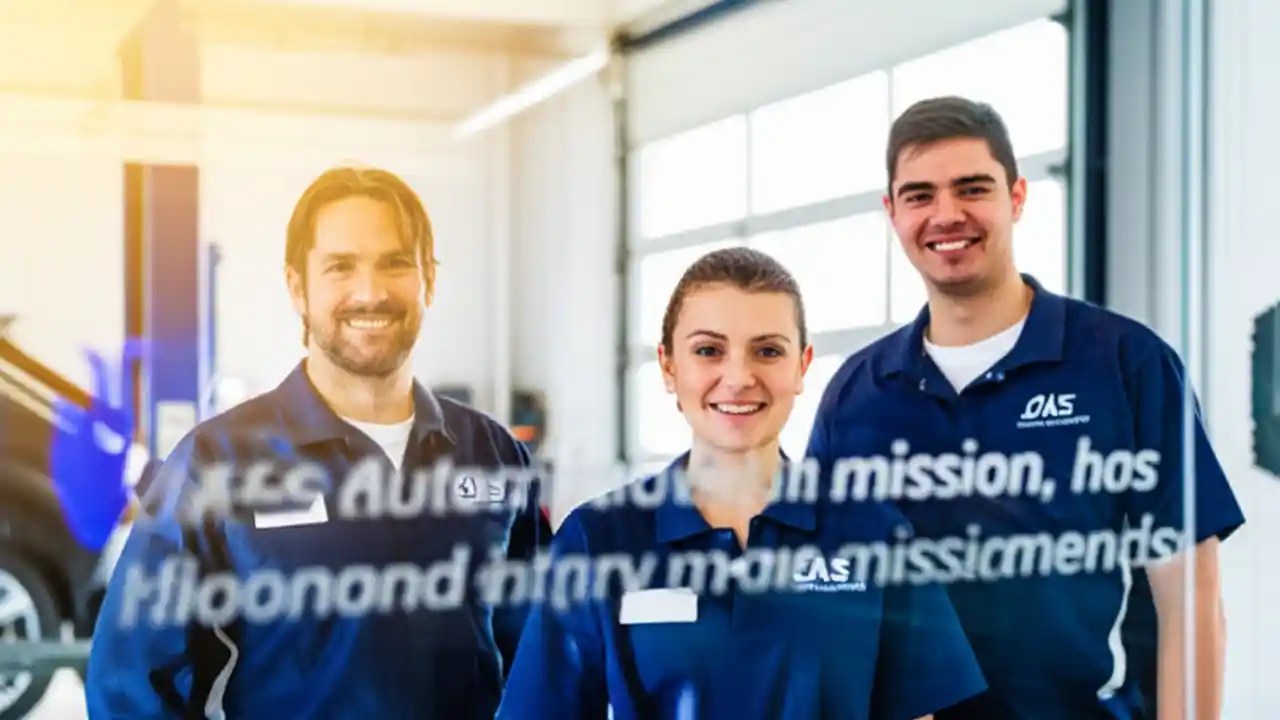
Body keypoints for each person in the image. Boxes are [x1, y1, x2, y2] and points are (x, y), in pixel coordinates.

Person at [806, 96, 1246, 719]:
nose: (947, 215)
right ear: (892, 211)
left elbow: (1190, 602)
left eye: (972, 188)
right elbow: (828, 599)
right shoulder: (856, 394)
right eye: (920, 195)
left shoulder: (1127, 366)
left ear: (1017, 197)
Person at [85, 166, 550, 719]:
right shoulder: (215, 464)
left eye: (395, 262)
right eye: (340, 267)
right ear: (297, 287)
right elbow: (133, 686)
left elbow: (543, 663)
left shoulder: (493, 456)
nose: (370, 291)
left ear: (429, 278)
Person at [496, 247, 986, 720]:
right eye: (709, 350)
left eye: (768, 351)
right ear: (669, 367)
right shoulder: (597, 541)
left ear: (802, 366)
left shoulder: (874, 534)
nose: (738, 378)